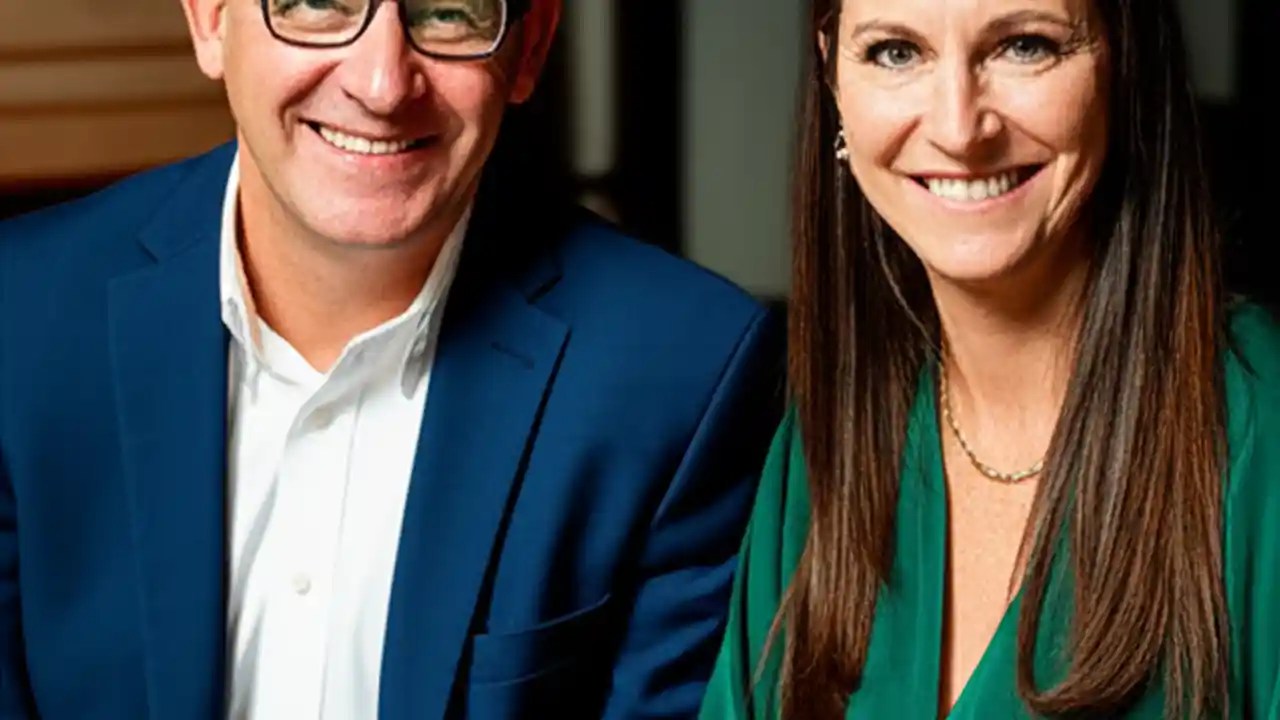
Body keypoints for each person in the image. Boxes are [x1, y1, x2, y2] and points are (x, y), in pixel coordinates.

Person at [0, 0, 784, 717]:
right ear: (210, 20)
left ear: (532, 43)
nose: (381, 83)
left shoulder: (685, 372)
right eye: (314, 3)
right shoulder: (20, 320)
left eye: (449, 12)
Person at [701, 0, 1280, 717]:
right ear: (832, 79)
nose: (958, 129)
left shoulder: (1262, 432)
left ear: (1127, 61)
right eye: (895, 52)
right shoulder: (826, 445)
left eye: (1025, 46)